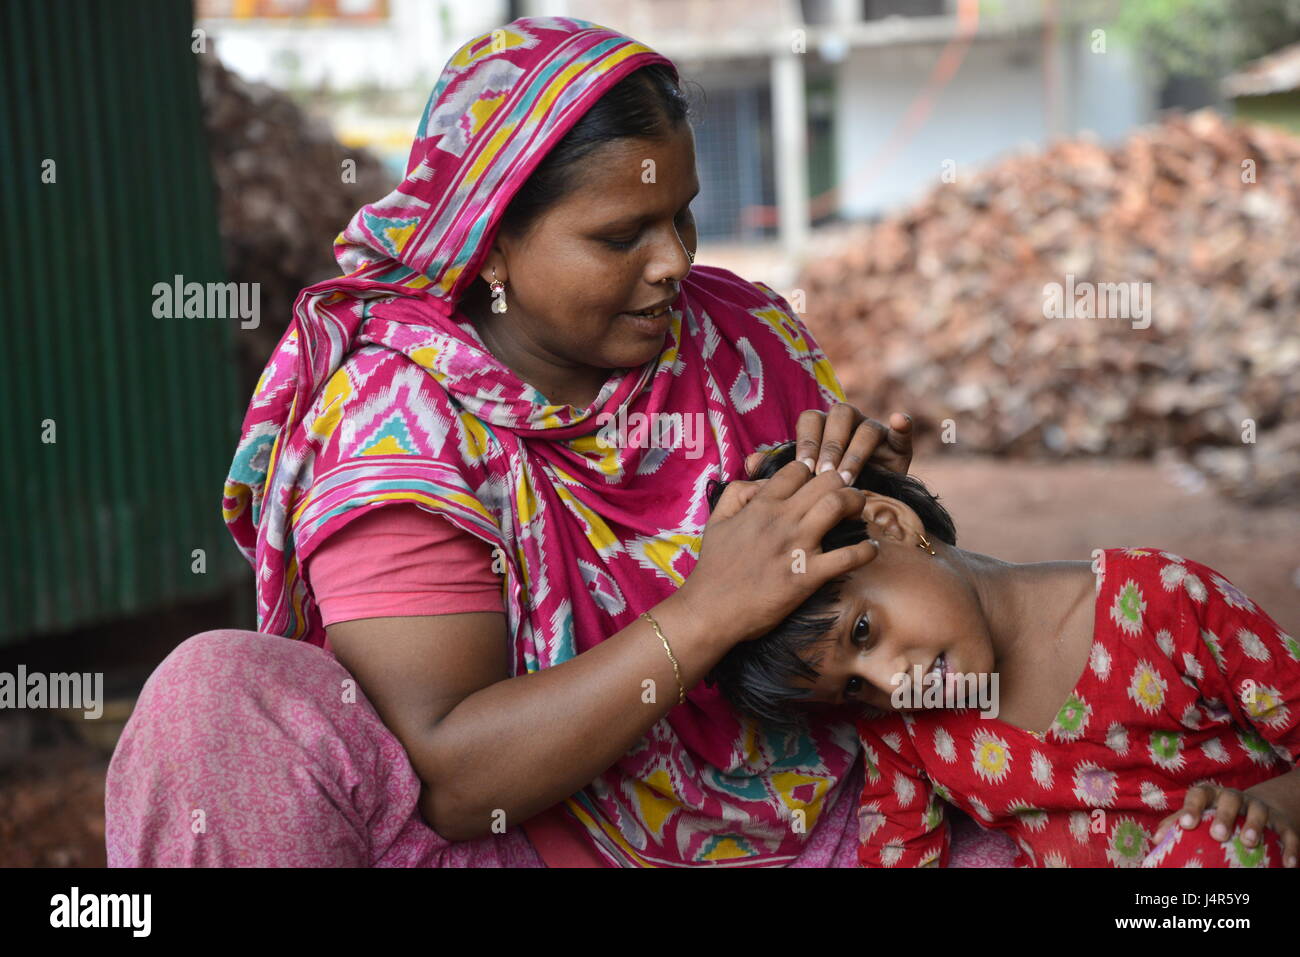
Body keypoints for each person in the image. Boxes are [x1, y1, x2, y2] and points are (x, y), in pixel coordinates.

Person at [105, 16, 918, 867]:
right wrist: (710, 610)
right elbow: (456, 778)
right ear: (491, 246)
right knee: (215, 698)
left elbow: (863, 630)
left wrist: (886, 521)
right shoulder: (399, 422)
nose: (674, 260)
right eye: (620, 235)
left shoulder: (743, 335)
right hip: (521, 847)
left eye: (683, 216)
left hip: (808, 828)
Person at [705, 442, 1300, 867]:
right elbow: (897, 851)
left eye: (862, 632)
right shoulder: (905, 731)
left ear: (887, 524)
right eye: (853, 688)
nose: (892, 680)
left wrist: (1272, 808)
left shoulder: (1159, 600)